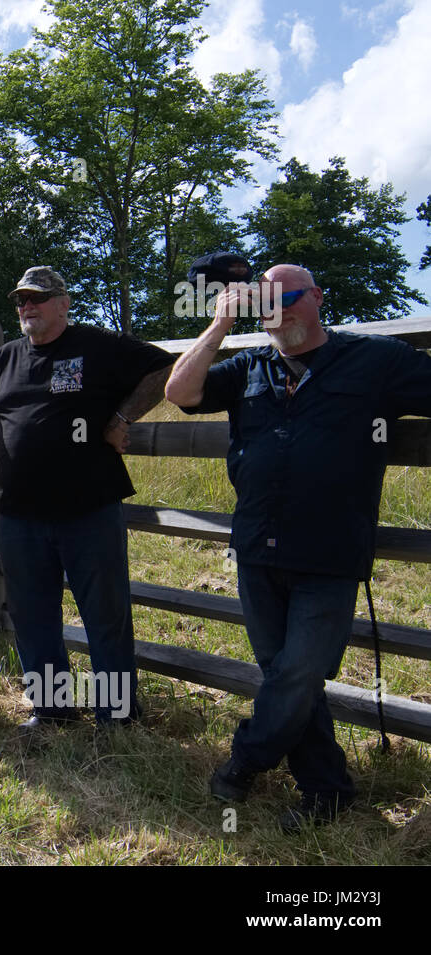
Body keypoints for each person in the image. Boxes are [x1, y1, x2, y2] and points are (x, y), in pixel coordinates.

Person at [165, 263, 431, 831]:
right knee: (282, 671)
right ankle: (327, 789)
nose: (275, 309)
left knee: (299, 674)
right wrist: (217, 327)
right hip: (257, 546)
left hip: (331, 550)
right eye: (263, 300)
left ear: (316, 297)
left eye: (286, 297)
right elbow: (180, 392)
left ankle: (246, 759)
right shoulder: (248, 366)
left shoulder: (374, 360)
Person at [0, 266, 175, 729]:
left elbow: (165, 368)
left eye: (36, 299)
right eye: (20, 301)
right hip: (20, 513)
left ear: (63, 304)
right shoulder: (4, 359)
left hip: (89, 508)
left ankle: (116, 714)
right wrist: (18, 444)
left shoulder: (97, 345)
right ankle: (52, 709)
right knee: (32, 615)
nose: (26, 308)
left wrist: (121, 417)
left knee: (105, 614)